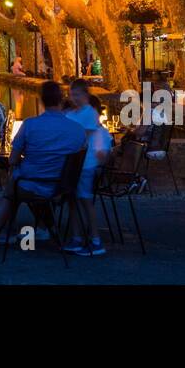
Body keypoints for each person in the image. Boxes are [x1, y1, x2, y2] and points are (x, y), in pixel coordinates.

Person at [0, 81, 87, 255]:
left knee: (10, 193)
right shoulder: (78, 130)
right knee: (22, 184)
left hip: (27, 185)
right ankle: (48, 228)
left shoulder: (30, 125)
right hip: (61, 188)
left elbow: (11, 160)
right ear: (61, 100)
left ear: (41, 101)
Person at [63, 80, 111, 255]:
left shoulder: (88, 113)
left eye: (76, 94)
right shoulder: (73, 112)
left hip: (85, 164)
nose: (72, 98)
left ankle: (95, 240)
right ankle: (76, 237)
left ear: (85, 95)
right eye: (71, 94)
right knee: (73, 200)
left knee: (84, 199)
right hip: (74, 164)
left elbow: (81, 137)